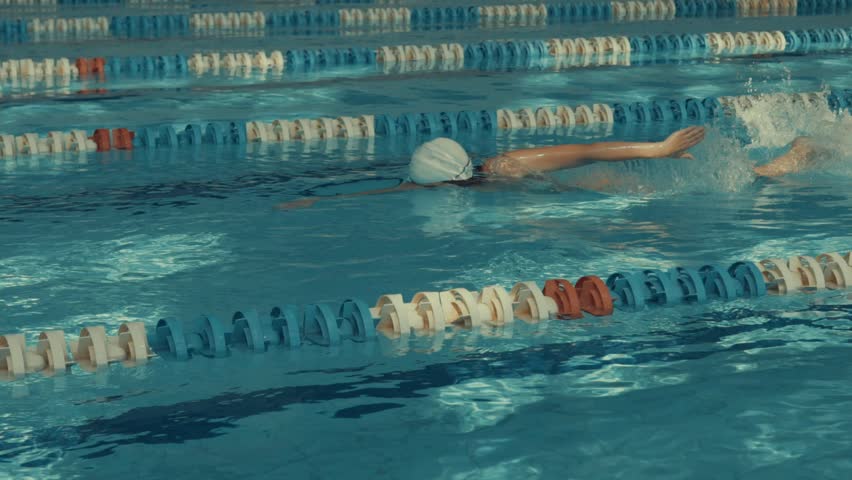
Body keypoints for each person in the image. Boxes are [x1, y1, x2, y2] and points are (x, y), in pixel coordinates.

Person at [276, 126, 816, 209]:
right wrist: (322, 200)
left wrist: (657, 149)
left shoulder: (507, 165)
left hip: (589, 180)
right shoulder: (446, 182)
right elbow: (397, 191)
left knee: (700, 186)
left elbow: (590, 150)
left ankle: (792, 158)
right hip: (561, 195)